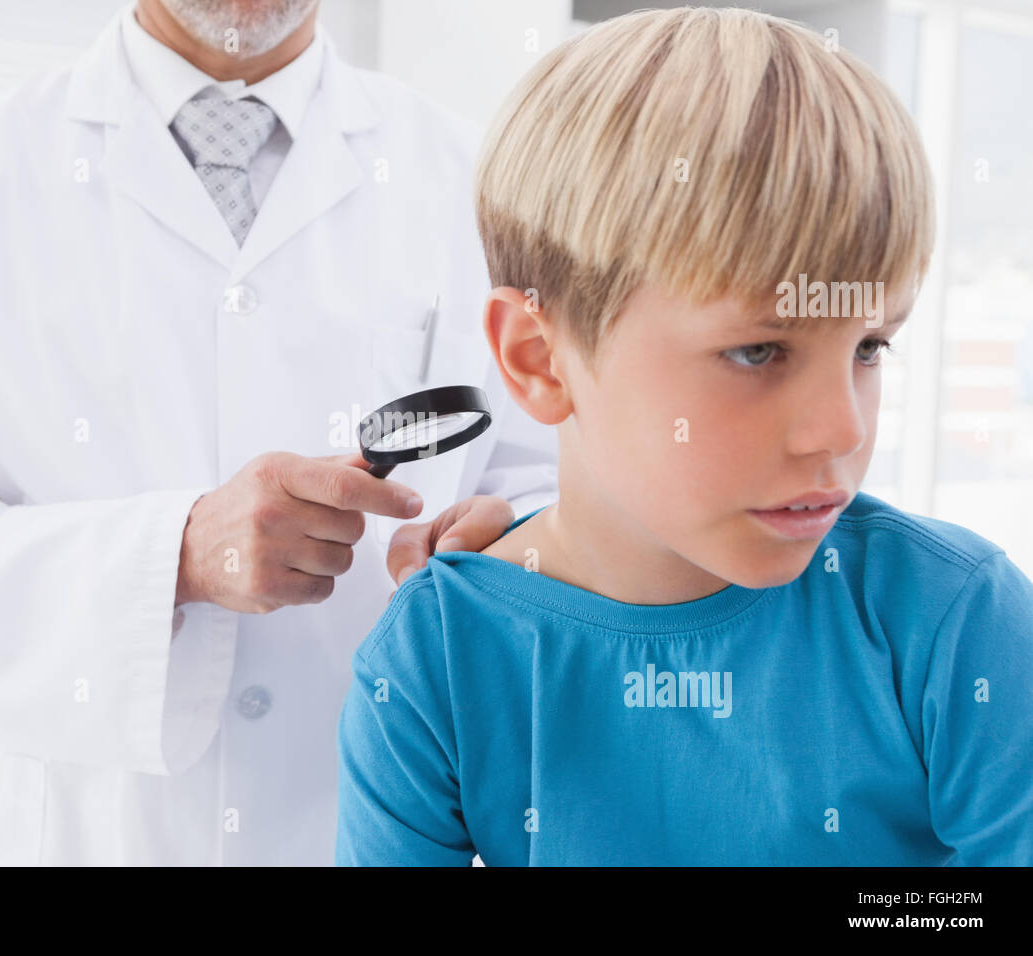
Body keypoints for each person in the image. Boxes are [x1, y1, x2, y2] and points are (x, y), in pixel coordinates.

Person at [0, 0, 557, 865]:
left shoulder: (473, 182)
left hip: (374, 831)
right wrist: (177, 556)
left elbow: (549, 485)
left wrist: (513, 551)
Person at [335, 6, 1033, 865]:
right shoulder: (431, 664)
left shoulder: (955, 620)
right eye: (757, 350)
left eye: (869, 347)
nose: (842, 429)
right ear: (539, 360)